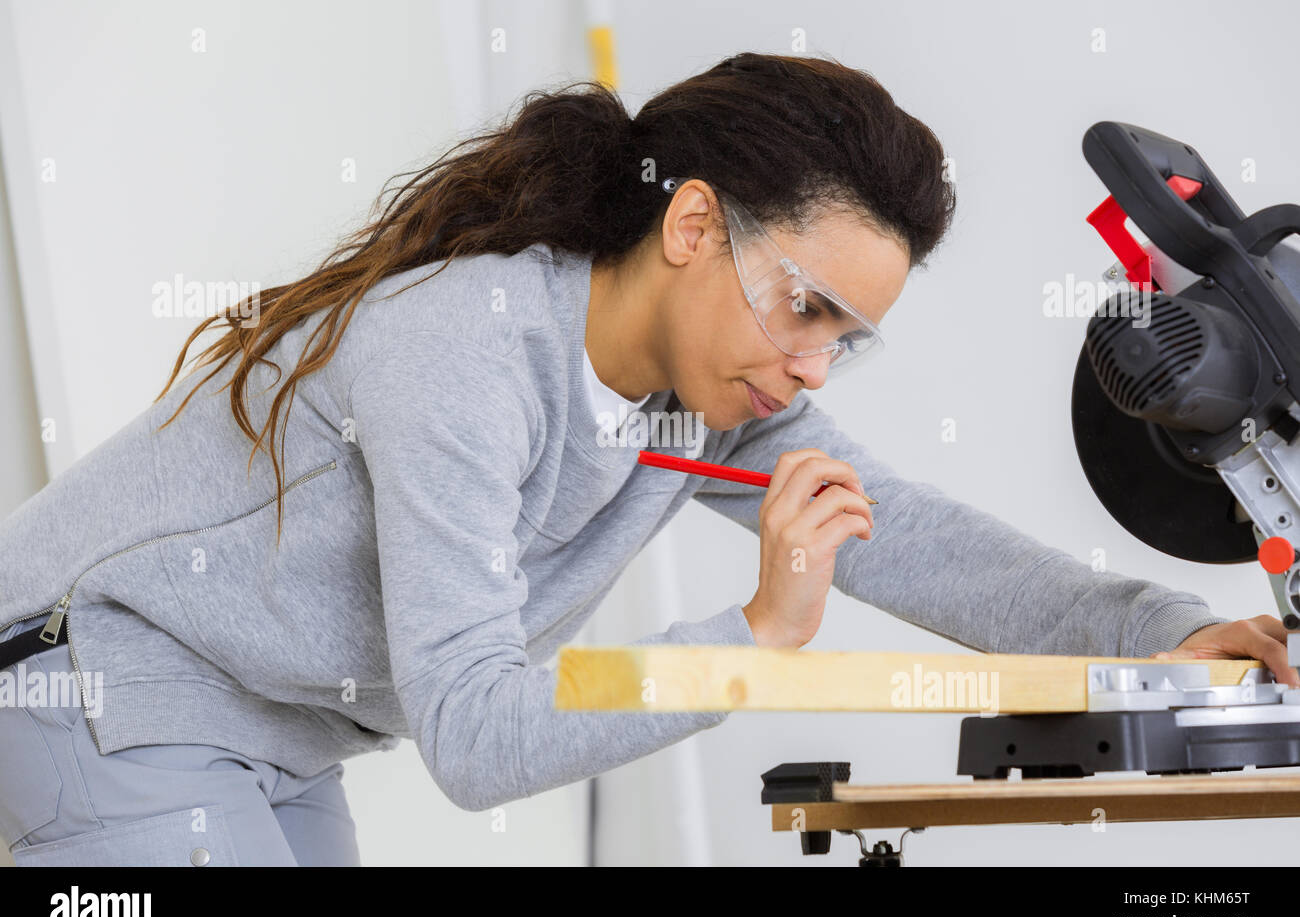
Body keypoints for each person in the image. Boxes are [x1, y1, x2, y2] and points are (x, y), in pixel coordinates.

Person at [0, 51, 1291, 867]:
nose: (812, 368)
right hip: (97, 678)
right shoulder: (464, 352)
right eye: (803, 309)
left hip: (279, 732)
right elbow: (477, 740)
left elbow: (918, 536)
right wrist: (758, 635)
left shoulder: (712, 399)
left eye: (849, 339)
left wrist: (1166, 634)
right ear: (691, 225)